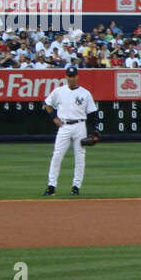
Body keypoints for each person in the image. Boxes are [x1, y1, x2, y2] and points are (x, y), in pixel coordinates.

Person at [42, 64, 99, 196]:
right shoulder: (59, 91)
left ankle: (76, 186)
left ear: (77, 77)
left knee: (80, 157)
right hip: (64, 126)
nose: (72, 78)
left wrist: (94, 131)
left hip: (80, 125)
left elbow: (92, 114)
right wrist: (54, 118)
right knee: (57, 155)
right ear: (66, 76)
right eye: (69, 76)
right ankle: (51, 186)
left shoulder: (85, 93)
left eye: (74, 76)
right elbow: (47, 104)